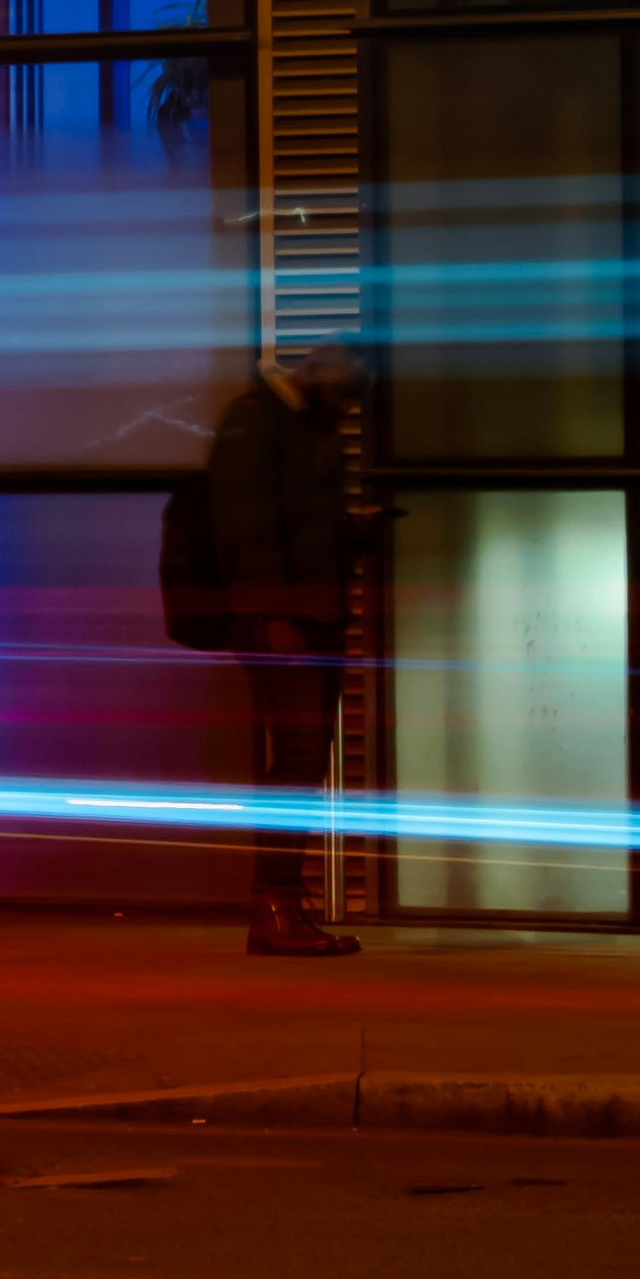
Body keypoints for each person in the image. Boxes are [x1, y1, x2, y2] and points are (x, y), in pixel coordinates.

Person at [201, 343, 372, 957]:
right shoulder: (259, 419)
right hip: (285, 619)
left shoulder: (296, 424)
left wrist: (347, 533)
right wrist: (274, 614)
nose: (346, 409)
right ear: (320, 376)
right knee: (297, 762)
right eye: (344, 394)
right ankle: (273, 907)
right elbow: (246, 526)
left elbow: (283, 522)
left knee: (302, 761)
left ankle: (280, 904)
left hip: (306, 615)